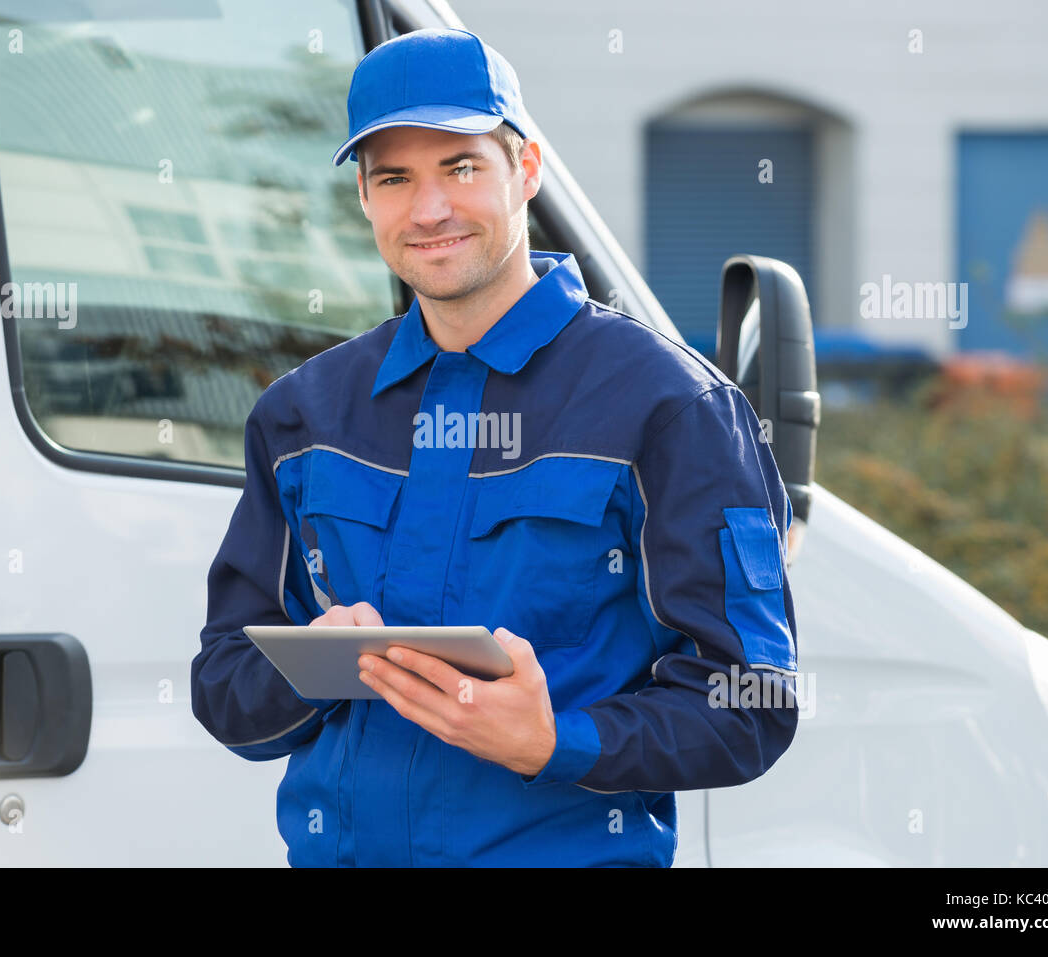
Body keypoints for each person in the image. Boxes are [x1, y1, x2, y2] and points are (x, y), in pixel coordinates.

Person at [191, 27, 799, 867]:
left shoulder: (668, 405)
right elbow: (222, 680)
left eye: (462, 167)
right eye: (394, 178)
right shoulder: (305, 414)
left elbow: (754, 700)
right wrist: (314, 666)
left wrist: (559, 741)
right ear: (365, 199)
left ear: (528, 170)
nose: (429, 209)